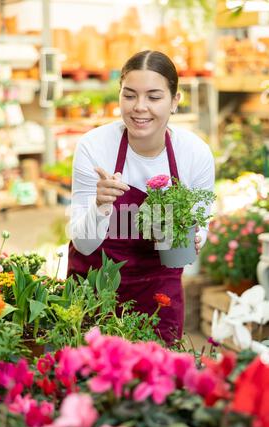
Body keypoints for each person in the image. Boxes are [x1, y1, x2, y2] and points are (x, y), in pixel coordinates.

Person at [67, 50, 215, 346]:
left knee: (156, 383)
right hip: (95, 290)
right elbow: (82, 244)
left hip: (158, 296)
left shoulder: (194, 153)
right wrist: (99, 206)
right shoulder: (94, 147)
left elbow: (201, 224)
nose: (140, 108)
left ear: (175, 101)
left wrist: (198, 237)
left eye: (154, 97)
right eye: (130, 95)